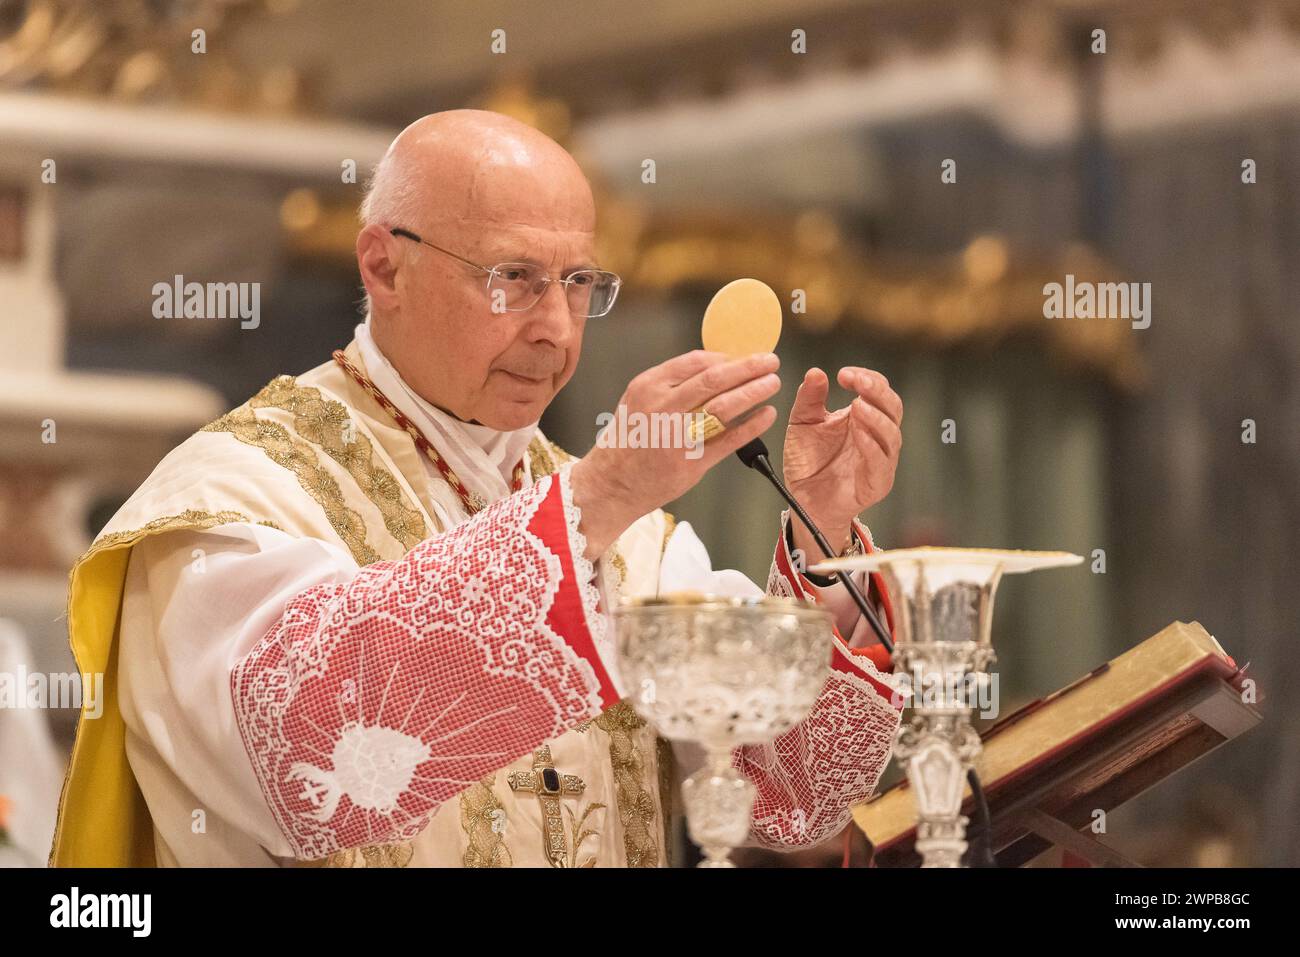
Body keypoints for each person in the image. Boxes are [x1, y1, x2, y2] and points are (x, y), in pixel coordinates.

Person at [50, 109, 906, 867]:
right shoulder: (239, 492)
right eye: (515, 279)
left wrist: (820, 541)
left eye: (579, 284)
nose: (556, 331)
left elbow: (788, 797)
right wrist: (599, 500)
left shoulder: (634, 542)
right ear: (384, 268)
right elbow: (310, 754)